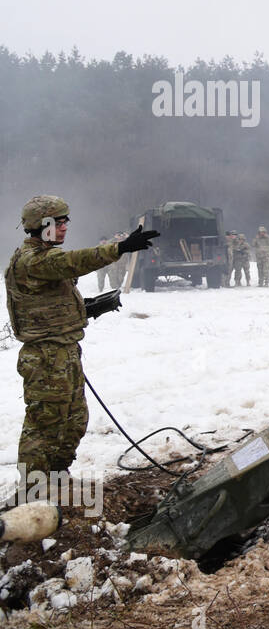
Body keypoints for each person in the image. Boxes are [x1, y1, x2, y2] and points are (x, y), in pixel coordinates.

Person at [5, 195, 157, 473]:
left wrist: (84, 309)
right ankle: (32, 495)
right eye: (59, 222)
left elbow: (46, 303)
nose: (65, 228)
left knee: (74, 421)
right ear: (42, 224)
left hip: (63, 352)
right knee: (45, 427)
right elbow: (73, 262)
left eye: (66, 222)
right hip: (46, 358)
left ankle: (56, 479)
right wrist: (120, 248)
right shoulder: (33, 260)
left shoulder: (44, 258)